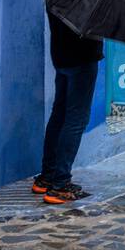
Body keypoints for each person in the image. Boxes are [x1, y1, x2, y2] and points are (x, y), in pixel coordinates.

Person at [33, 11, 104, 204]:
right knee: (76, 119)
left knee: (59, 115)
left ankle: (47, 177)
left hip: (61, 56)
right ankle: (60, 184)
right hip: (83, 58)